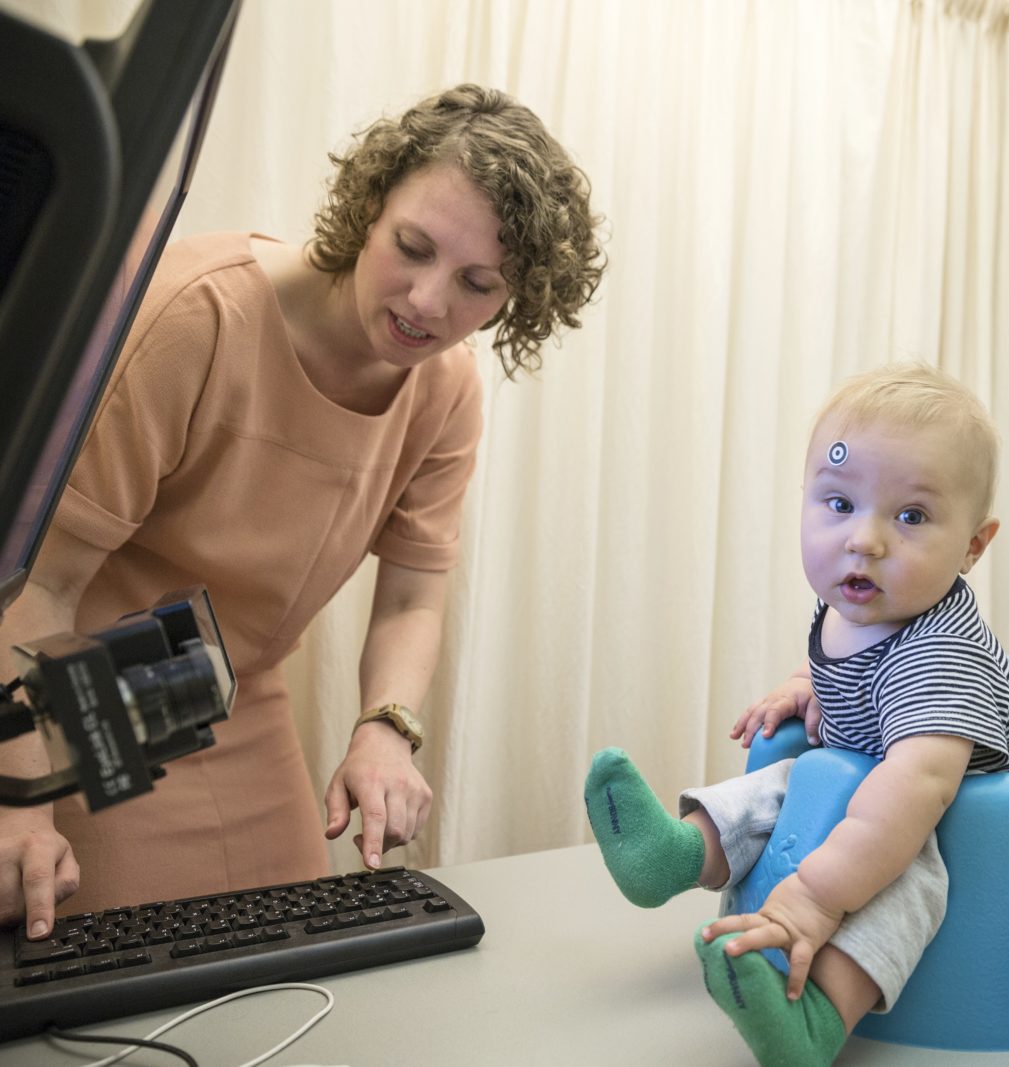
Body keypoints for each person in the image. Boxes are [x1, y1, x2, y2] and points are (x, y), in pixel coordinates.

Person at [0, 83, 604, 939]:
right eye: (413, 247)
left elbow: (411, 594)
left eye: (477, 283)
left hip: (229, 695)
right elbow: (34, 583)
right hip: (71, 698)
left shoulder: (445, 391)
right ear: (368, 206)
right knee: (121, 977)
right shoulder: (194, 317)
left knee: (291, 961)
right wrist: (19, 799)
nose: (430, 303)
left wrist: (386, 726)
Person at [582, 363, 1009, 1067]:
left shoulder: (939, 655)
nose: (864, 539)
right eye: (839, 503)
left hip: (973, 810)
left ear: (973, 546)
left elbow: (919, 788)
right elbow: (855, 675)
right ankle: (678, 853)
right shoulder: (857, 602)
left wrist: (814, 896)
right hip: (879, 778)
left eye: (911, 516)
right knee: (782, 777)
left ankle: (819, 1017)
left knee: (904, 876)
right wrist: (804, 681)